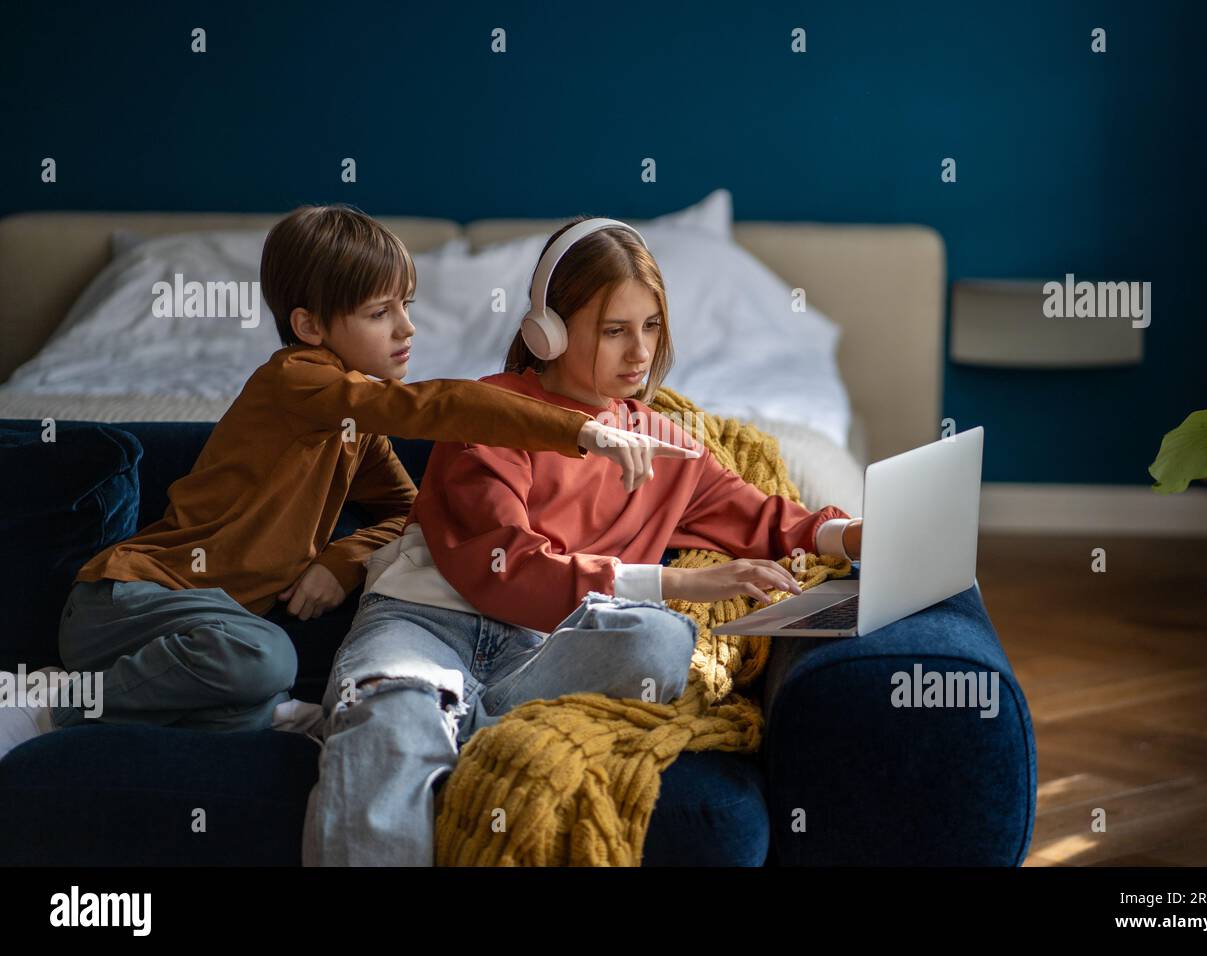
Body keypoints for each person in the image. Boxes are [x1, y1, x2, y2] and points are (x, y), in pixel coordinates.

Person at [0, 205, 691, 761]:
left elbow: (415, 513)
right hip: (124, 603)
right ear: (310, 328)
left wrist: (342, 557)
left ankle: (249, 713)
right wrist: (578, 429)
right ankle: (51, 704)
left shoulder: (355, 431)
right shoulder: (295, 379)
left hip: (204, 633)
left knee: (252, 699)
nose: (407, 328)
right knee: (262, 655)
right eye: (379, 312)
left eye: (407, 306)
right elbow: (430, 405)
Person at [303, 216, 863, 865]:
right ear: (549, 332)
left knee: (661, 639)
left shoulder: (667, 445)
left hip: (537, 653)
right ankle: (409, 713)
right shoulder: (487, 416)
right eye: (615, 330)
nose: (640, 353)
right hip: (430, 625)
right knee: (389, 727)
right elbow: (507, 565)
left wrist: (850, 535)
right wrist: (675, 582)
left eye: (651, 327)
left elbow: (768, 522)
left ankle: (467, 719)